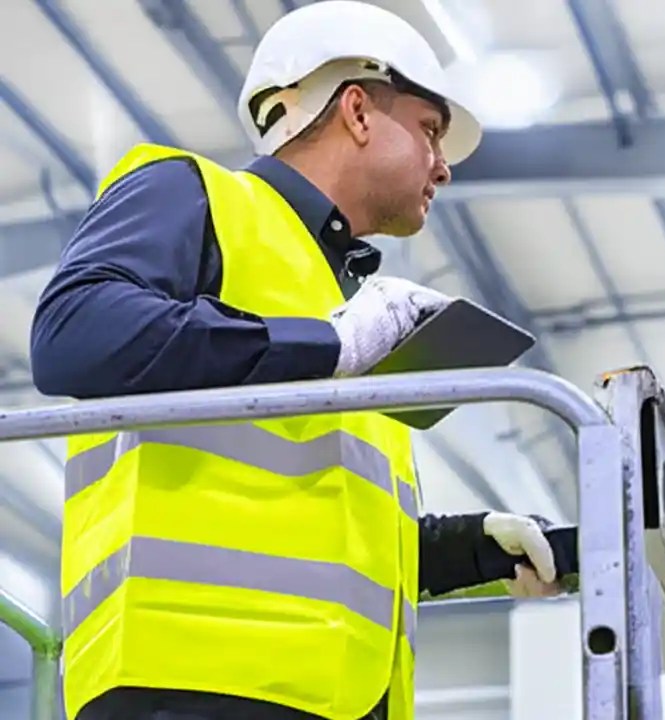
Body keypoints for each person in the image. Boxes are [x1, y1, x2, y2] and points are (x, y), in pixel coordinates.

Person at [28, 3, 570, 719]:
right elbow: (72, 332)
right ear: (356, 111)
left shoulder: (348, 310)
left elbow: (312, 532)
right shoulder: (197, 197)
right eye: (431, 131)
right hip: (190, 684)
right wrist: (329, 346)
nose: (442, 167)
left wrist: (472, 547)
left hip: (329, 699)